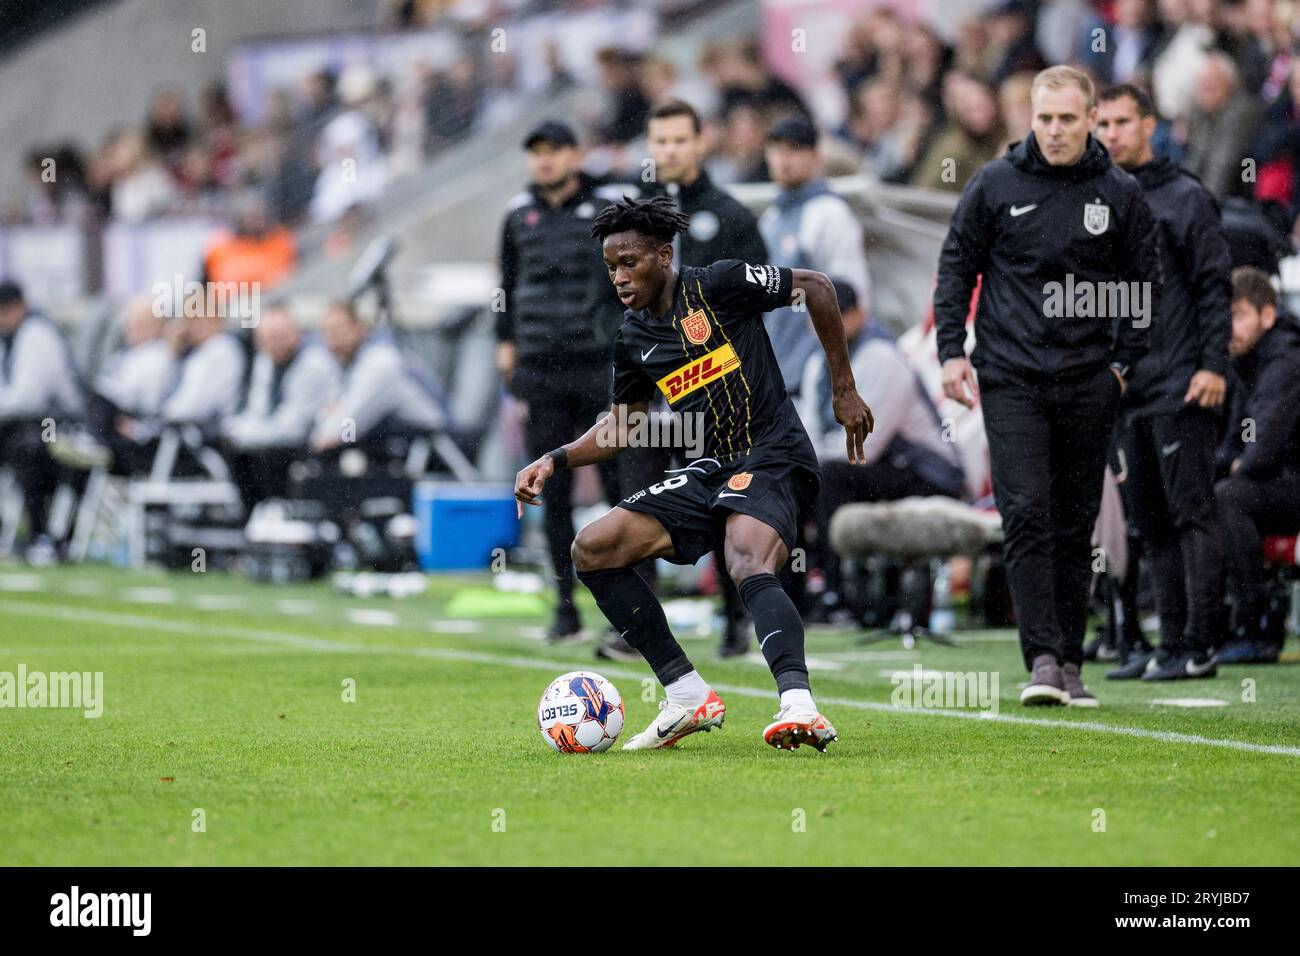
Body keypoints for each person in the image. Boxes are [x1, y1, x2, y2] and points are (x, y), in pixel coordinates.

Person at [514, 195, 875, 752]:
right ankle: (686, 694)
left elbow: (819, 288)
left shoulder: (720, 284)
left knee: (744, 555)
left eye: (629, 262)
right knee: (593, 547)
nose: (619, 276)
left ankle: (799, 705)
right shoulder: (634, 337)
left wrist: (843, 390)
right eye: (611, 266)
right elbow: (621, 427)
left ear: (663, 255)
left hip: (774, 454)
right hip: (713, 468)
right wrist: (553, 458)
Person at [933, 66, 1159, 707]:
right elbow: (956, 266)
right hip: (1010, 377)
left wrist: (1123, 366)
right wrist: (953, 352)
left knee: (1074, 522)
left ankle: (1070, 659)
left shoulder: (1119, 194)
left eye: (1066, 118)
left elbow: (1145, 286)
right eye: (1044, 118)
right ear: (1030, 118)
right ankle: (1041, 661)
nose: (1054, 130)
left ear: (1092, 120)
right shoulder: (997, 183)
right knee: (1026, 513)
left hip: (1089, 380)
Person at [610, 97, 767, 660]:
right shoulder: (631, 220)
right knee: (637, 499)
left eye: (681, 139)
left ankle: (734, 621)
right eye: (661, 141)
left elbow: (754, 307)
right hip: (655, 401)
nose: (670, 150)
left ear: (701, 143)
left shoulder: (729, 214)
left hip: (715, 398)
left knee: (726, 505)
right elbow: (618, 298)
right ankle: (636, 626)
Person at [1095, 83, 1232, 682]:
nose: (1112, 134)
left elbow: (1214, 287)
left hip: (1183, 381)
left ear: (1150, 124)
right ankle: (1169, 642)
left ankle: (1202, 644)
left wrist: (1213, 366)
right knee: (1150, 522)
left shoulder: (1185, 198)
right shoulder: (1101, 200)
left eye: (1123, 122)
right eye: (1104, 124)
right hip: (1131, 388)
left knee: (1192, 513)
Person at [497, 120, 626, 642]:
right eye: (536, 152)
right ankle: (564, 607)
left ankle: (629, 610)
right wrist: (505, 343)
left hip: (598, 364)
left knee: (622, 487)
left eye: (554, 151)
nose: (544, 161)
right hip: (541, 368)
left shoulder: (608, 206)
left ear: (577, 153)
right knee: (552, 489)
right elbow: (505, 284)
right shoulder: (516, 215)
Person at [796, 280, 963, 616]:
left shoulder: (881, 356)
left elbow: (864, 448)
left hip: (925, 471)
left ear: (858, 314)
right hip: (868, 467)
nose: (825, 327)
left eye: (835, 316)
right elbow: (809, 434)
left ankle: (836, 593)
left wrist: (810, 460)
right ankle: (794, 595)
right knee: (791, 478)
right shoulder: (816, 364)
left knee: (827, 478)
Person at [1214, 267, 1300, 663]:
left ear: (1267, 315)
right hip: (1279, 482)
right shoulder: (1245, 364)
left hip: (1290, 482)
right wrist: (1226, 463)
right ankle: (1212, 627)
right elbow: (1237, 439)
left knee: (1231, 498)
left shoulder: (1286, 359)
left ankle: (1258, 624)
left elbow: (1264, 448)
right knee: (1203, 494)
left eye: (1239, 315)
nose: (1229, 327)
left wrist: (1236, 465)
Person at [760, 115, 872, 395]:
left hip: (814, 377)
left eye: (794, 150)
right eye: (777, 150)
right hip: (780, 375)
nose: (784, 160)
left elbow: (850, 297)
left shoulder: (830, 214)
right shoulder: (772, 218)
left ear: (815, 156)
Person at [221, 304, 340, 509]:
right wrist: (238, 430)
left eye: (280, 336)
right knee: (236, 450)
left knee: (265, 453)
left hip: (312, 445)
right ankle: (254, 515)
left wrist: (246, 434)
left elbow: (293, 427)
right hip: (277, 436)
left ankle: (275, 510)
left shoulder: (313, 365)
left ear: (296, 334)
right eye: (268, 338)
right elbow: (258, 409)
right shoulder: (265, 362)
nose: (274, 344)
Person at [0, 281, 84, 563]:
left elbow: (28, 398)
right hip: (25, 422)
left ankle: (41, 533)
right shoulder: (9, 338)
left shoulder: (37, 334)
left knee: (26, 449)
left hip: (61, 425)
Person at [311, 300, 444, 454]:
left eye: (338, 330)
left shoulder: (378, 363)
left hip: (434, 447)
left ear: (360, 328)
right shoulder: (349, 366)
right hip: (409, 446)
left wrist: (326, 433)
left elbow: (347, 428)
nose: (332, 340)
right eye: (326, 332)